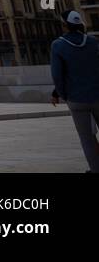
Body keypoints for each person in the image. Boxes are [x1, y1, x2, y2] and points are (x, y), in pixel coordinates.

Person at [50, 10, 99, 172]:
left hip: (76, 99)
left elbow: (58, 75)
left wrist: (63, 94)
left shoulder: (58, 45)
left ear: (64, 25)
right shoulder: (92, 42)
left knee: (87, 139)